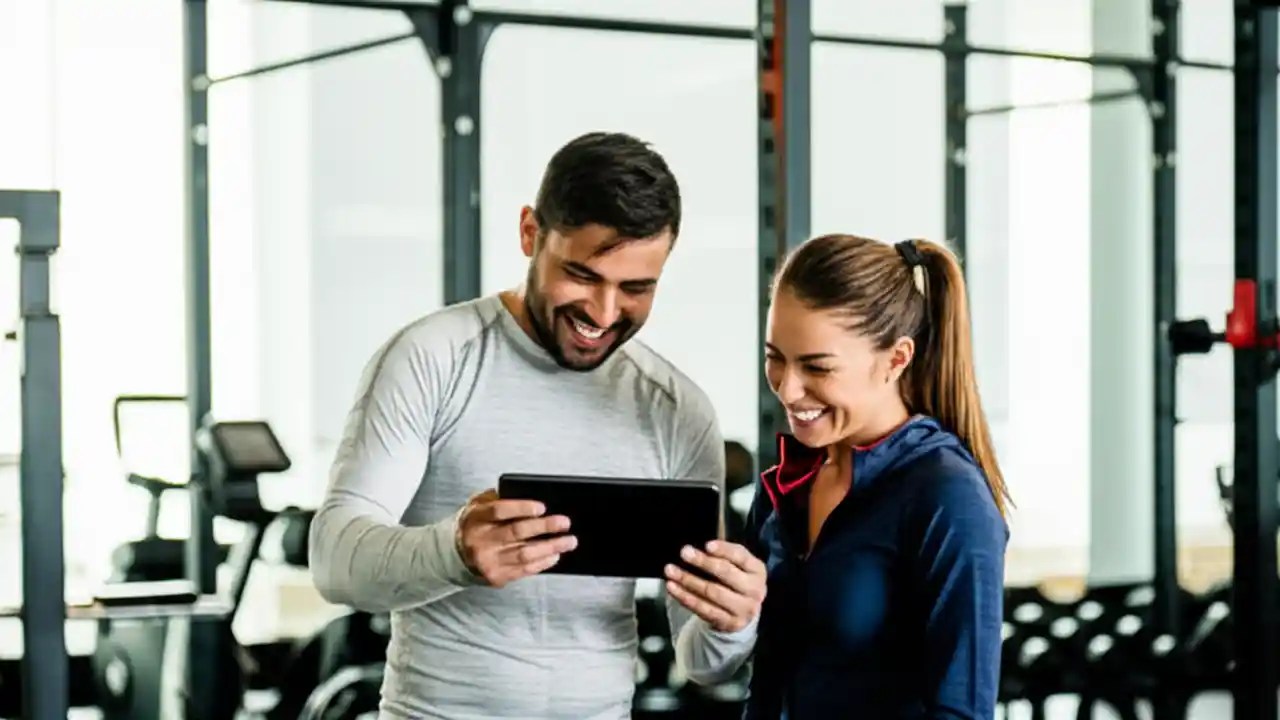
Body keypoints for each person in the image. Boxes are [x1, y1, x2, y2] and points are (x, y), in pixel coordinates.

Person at [307, 131, 766, 720]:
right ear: (530, 232)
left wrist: (734, 620)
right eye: (582, 275)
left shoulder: (675, 408)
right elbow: (333, 560)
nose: (603, 313)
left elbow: (701, 659)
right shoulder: (432, 357)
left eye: (635, 288)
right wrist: (453, 552)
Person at [727, 234, 1011, 718]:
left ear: (897, 359)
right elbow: (768, 684)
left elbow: (960, 710)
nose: (789, 390)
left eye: (817, 367)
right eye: (776, 357)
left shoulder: (948, 497)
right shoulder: (788, 483)